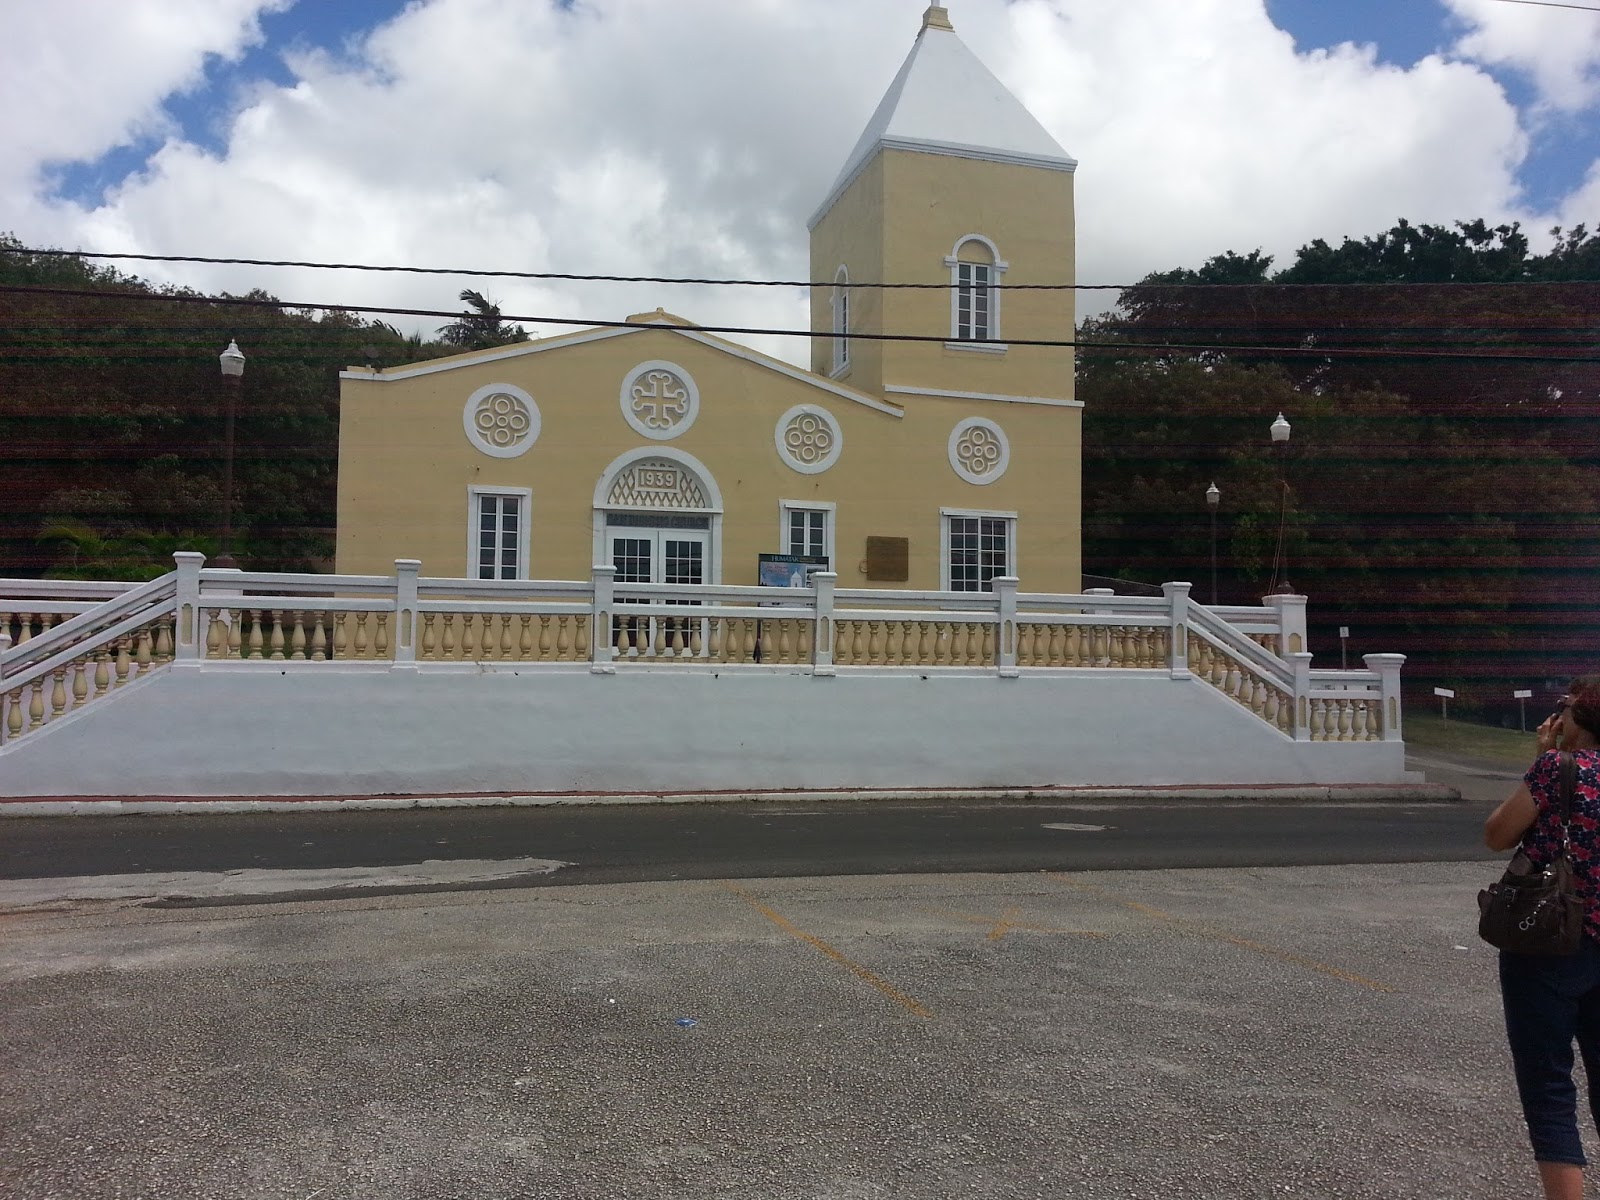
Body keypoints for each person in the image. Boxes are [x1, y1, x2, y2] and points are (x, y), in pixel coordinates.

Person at [1485, 676, 1600, 1200]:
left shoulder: (1558, 770)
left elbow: (1498, 834)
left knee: (1550, 1089)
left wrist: (1547, 757)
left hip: (1550, 943)